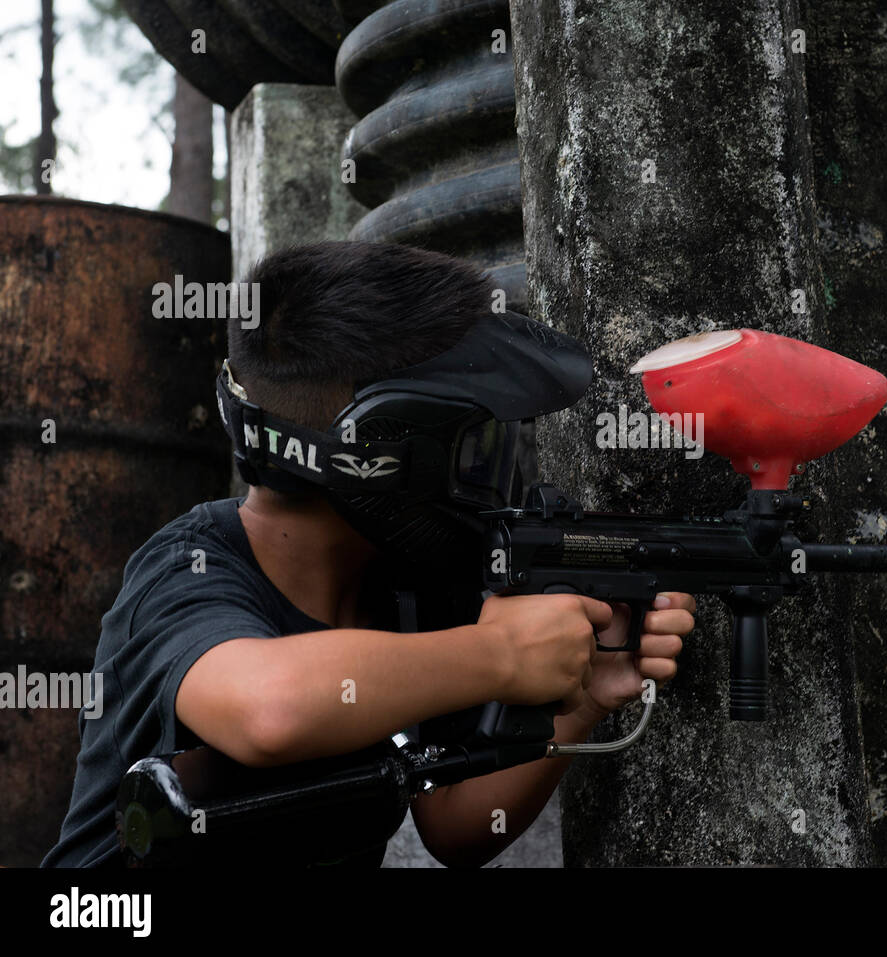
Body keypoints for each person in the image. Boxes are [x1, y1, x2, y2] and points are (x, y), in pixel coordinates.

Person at [42, 241, 694, 868]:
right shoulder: (189, 570)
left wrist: (581, 697)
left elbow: (455, 825)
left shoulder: (405, 585)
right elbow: (271, 709)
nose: (490, 477)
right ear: (382, 452)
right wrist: (501, 656)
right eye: (472, 445)